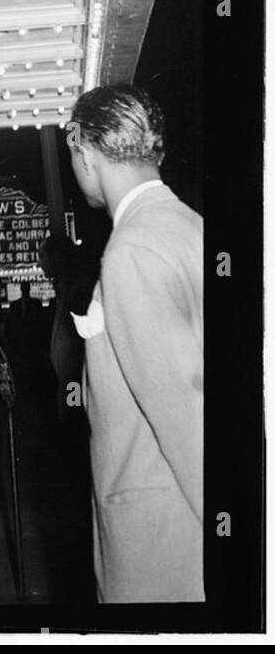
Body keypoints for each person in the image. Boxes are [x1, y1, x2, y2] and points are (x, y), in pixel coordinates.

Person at [67, 84, 203, 603]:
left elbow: (189, 419)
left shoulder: (133, 250)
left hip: (163, 547)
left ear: (85, 153)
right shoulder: (188, 227)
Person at [41, 233, 97, 422]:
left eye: (43, 257)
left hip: (75, 379)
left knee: (73, 419)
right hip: (68, 378)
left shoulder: (77, 289)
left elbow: (78, 346)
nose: (40, 264)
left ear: (57, 257)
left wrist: (72, 404)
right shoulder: (65, 288)